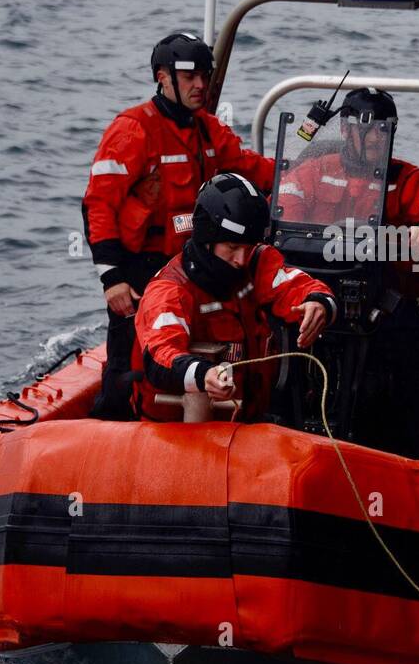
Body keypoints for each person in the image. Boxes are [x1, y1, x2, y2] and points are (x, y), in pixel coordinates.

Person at [82, 32, 275, 419]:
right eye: (189, 77)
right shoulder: (133, 129)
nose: (200, 85)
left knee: (192, 353)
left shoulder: (207, 129)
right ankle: (115, 429)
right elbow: (98, 203)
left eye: (204, 76)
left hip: (193, 268)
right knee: (130, 365)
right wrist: (112, 279)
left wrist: (305, 177)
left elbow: (254, 168)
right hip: (139, 273)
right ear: (163, 77)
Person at [132, 173, 337, 420]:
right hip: (175, 434)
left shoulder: (256, 261)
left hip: (246, 420)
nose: (240, 259)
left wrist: (317, 302)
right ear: (207, 240)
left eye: (247, 248)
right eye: (232, 248)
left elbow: (294, 285)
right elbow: (160, 357)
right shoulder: (169, 292)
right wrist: (204, 375)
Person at [277, 87, 419, 295]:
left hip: (387, 298)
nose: (376, 138)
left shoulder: (410, 180)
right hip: (315, 287)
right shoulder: (315, 170)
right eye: (368, 128)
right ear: (345, 129)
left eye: (384, 129)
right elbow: (282, 217)